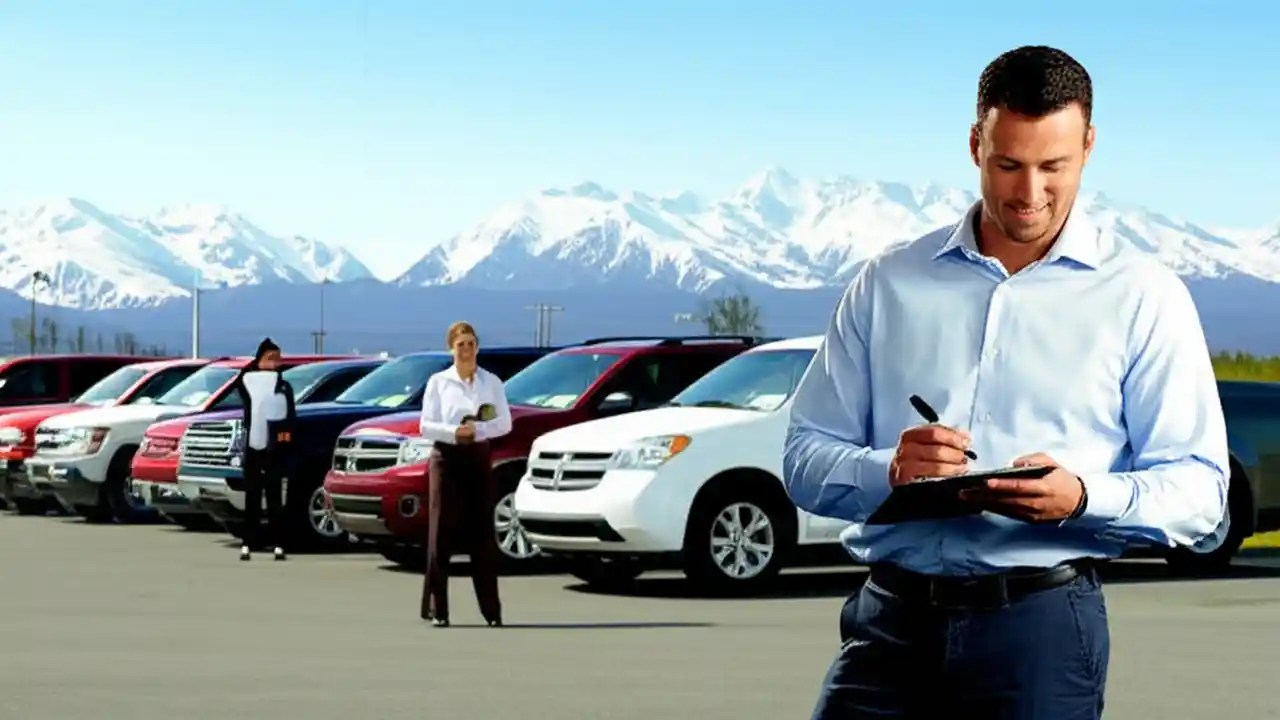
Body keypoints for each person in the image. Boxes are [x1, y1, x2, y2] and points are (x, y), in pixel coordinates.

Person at [783, 45, 1230, 719]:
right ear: (974, 144)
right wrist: (889, 470)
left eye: (1055, 167)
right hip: (887, 628)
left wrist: (1082, 495)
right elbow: (802, 457)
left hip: (1042, 631)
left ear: (1089, 145)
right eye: (1008, 164)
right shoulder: (888, 283)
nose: (1029, 194)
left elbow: (1201, 489)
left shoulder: (1143, 296)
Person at [417, 320, 512, 627]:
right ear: (451, 349)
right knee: (441, 534)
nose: (467, 349)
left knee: (481, 535)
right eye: (461, 345)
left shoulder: (491, 382)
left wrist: (479, 429)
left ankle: (491, 611)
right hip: (447, 457)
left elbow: (505, 423)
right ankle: (438, 608)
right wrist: (454, 432)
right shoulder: (438, 382)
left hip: (478, 457)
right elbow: (425, 425)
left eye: (471, 343)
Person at [231, 338, 297, 562]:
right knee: (252, 495)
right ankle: (248, 541)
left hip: (274, 448)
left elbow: (288, 419)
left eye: (277, 359)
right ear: (259, 358)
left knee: (274, 496)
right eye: (270, 358)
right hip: (253, 444)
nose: (274, 363)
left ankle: (279, 542)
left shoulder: (283, 385)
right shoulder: (247, 380)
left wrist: (284, 442)